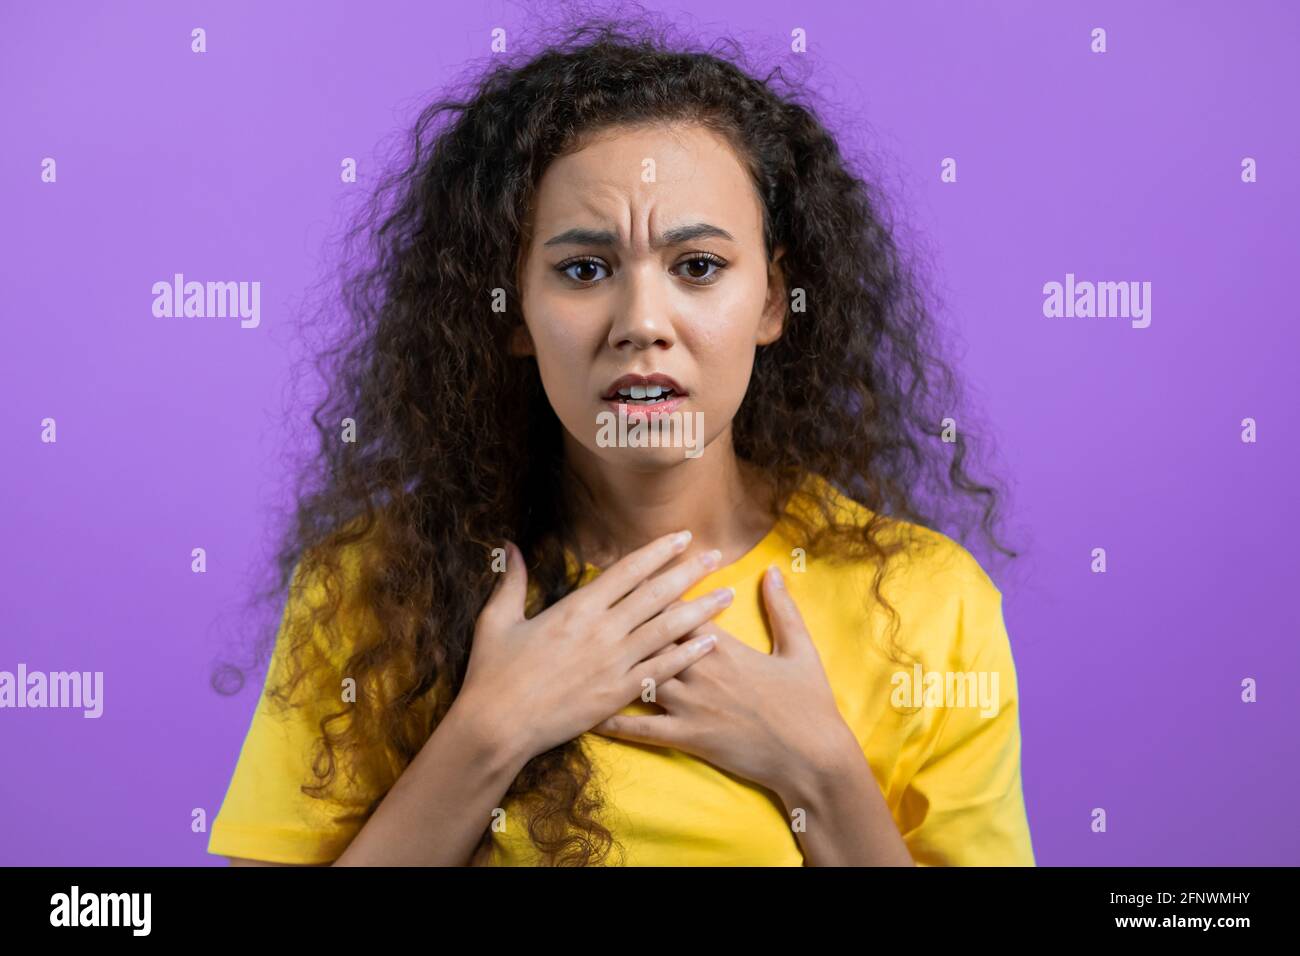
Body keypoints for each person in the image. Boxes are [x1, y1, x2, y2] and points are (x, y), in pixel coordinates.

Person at [207, 19, 1035, 867]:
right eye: (584, 270)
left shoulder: (927, 602)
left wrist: (819, 771)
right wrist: (491, 731)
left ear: (773, 301)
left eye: (699, 267)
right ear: (513, 313)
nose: (642, 324)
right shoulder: (374, 586)